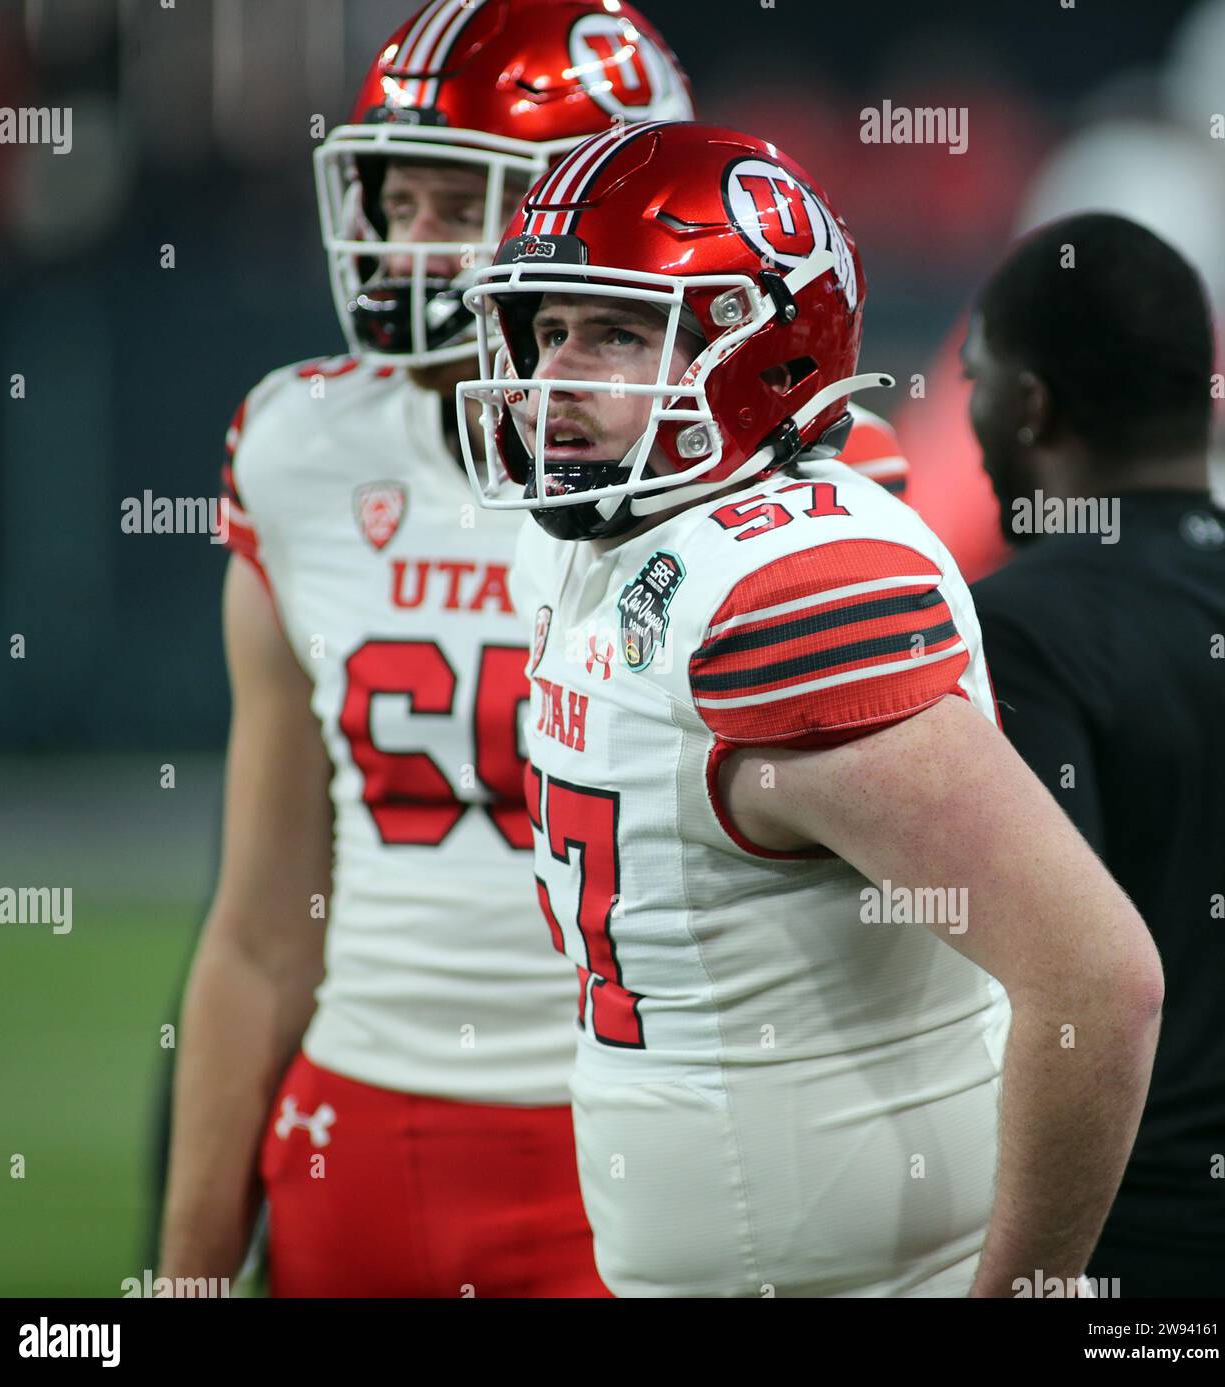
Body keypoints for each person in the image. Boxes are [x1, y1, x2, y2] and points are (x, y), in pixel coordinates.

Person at [455, 120, 1164, 1298]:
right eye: (548, 332)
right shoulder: (645, 530)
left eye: (619, 334)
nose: (550, 384)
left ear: (764, 354)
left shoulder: (785, 597)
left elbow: (1098, 981)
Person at [157, 0, 697, 1298]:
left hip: (638, 1133)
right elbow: (262, 922)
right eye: (400, 203)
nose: (411, 246)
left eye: (464, 203)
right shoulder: (300, 446)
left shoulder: (733, 489)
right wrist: (180, 1270)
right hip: (361, 1125)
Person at [965, 212, 1225, 1296]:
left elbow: (1064, 990)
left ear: (1030, 403)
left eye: (976, 381)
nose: (970, 417)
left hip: (1130, 1244)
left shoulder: (1009, 631)